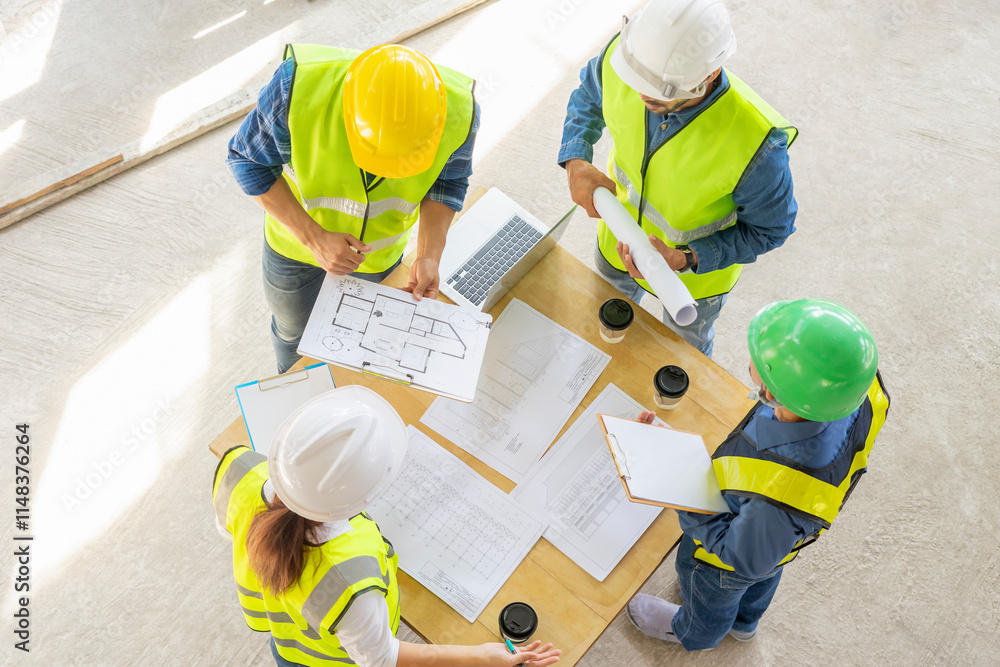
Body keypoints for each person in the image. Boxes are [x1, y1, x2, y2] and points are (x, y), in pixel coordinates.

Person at [213, 385, 562, 667]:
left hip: (288, 643)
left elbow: (232, 530)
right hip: (329, 660)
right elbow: (381, 658)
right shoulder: (351, 583)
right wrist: (478, 657)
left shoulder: (240, 466)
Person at [625, 299, 889, 651]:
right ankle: (746, 623)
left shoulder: (781, 493)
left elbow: (740, 558)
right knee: (766, 574)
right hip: (777, 539)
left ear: (774, 391)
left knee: (714, 589)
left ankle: (692, 632)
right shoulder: (854, 384)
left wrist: (676, 479)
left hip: (727, 557)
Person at [559, 0, 798, 357]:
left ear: (709, 76)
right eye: (637, 80)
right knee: (602, 325)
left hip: (695, 284)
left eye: (660, 91)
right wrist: (576, 157)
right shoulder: (630, 56)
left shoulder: (756, 146)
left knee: (682, 358)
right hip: (616, 241)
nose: (641, 94)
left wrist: (688, 258)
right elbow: (590, 95)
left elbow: (771, 229)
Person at [227, 43, 480, 373]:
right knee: (293, 336)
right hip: (293, 249)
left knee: (355, 338)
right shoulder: (297, 88)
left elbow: (447, 184)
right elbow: (247, 160)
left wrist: (429, 254)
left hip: (377, 255)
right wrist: (314, 237)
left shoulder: (459, 111)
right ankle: (293, 387)